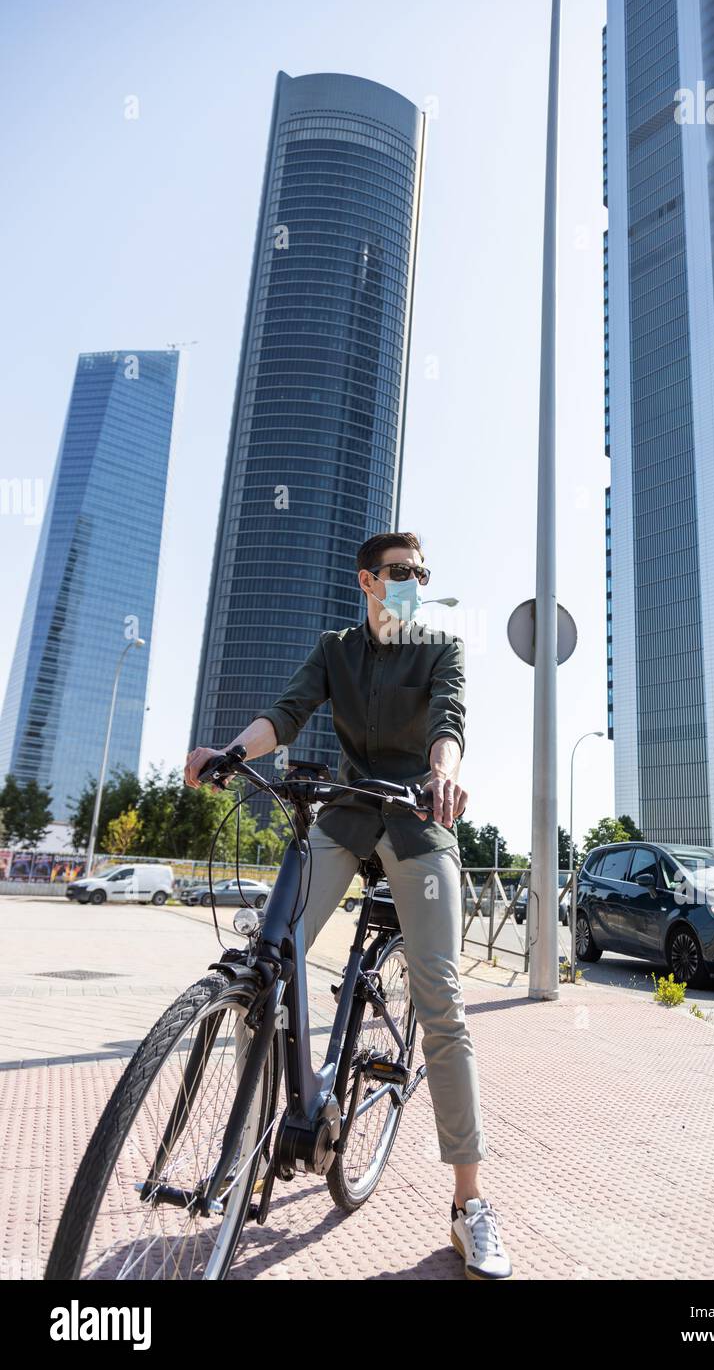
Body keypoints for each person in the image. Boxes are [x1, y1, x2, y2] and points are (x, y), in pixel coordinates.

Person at [185, 530, 512, 1281]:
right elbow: (287, 713)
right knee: (269, 965)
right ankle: (248, 1144)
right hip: (345, 816)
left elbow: (448, 723)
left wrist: (443, 775)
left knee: (440, 997)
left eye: (421, 573)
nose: (414, 583)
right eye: (401, 572)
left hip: (419, 821)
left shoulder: (440, 648)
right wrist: (231, 752)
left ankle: (470, 1203)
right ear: (367, 580)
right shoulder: (335, 649)